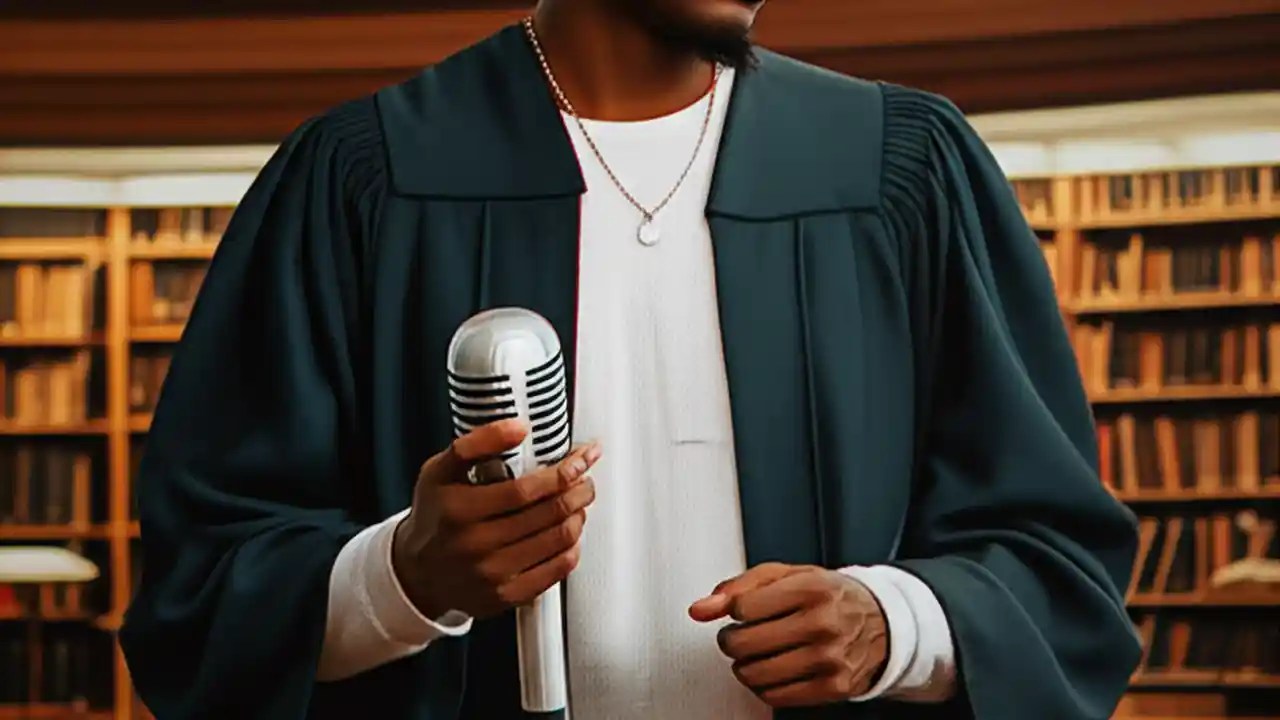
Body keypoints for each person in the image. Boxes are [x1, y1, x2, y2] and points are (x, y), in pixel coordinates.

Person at [119, 1, 1142, 718]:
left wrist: (896, 624)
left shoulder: (902, 169)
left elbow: (1054, 560)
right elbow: (202, 589)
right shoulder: (362, 178)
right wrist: (403, 577)